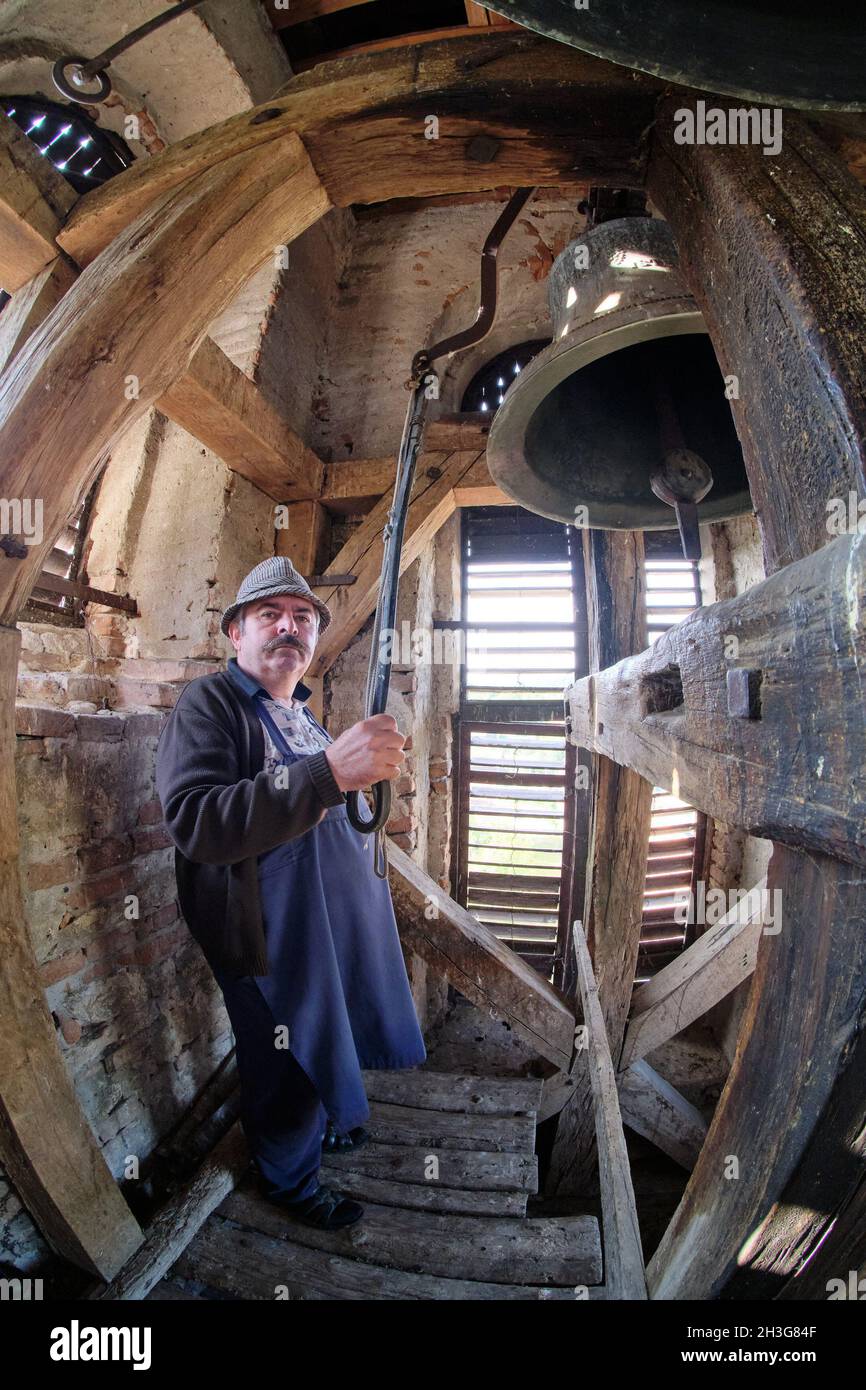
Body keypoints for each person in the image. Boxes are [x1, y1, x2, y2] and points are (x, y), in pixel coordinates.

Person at [156, 556, 427, 1230]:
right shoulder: (210, 704)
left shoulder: (302, 715)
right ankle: (290, 1183)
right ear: (235, 636)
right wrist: (331, 771)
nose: (289, 627)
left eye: (302, 618)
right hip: (262, 930)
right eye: (269, 615)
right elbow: (197, 821)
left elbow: (320, 803)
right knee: (284, 1058)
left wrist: (359, 777)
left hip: (324, 922)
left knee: (326, 1037)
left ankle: (328, 1124)